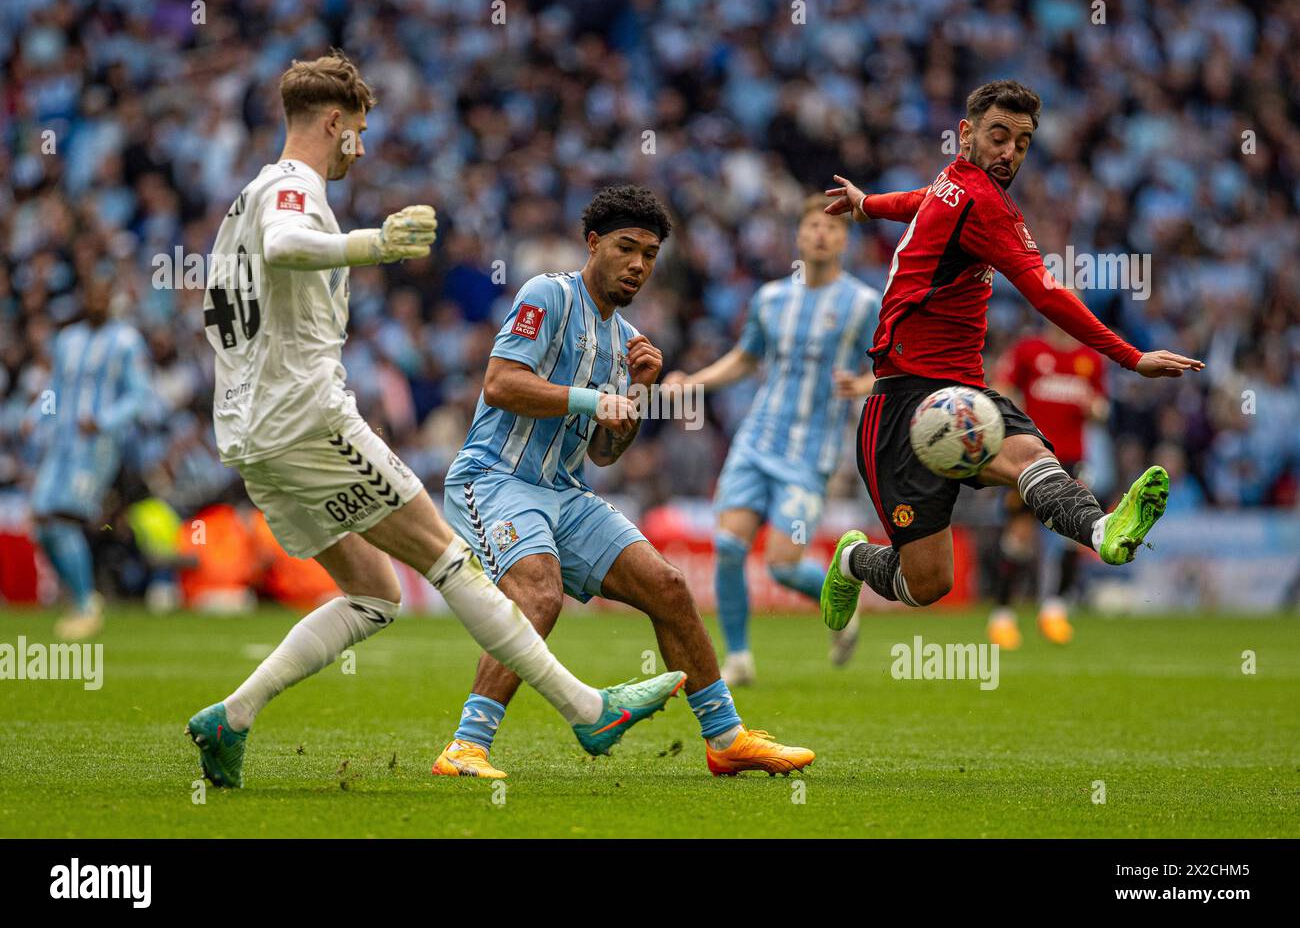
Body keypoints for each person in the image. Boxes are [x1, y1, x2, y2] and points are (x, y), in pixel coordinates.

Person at [186, 52, 682, 789]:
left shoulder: (244, 200)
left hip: (253, 431)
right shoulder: (293, 186)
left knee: (375, 594)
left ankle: (232, 717)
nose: (360, 145)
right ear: (333, 123)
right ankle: (587, 709)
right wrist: (375, 244)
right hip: (307, 418)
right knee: (450, 559)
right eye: (356, 131)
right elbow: (289, 249)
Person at [433, 185, 814, 779]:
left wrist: (633, 397)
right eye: (626, 248)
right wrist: (595, 397)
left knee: (668, 587)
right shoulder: (547, 294)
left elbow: (607, 453)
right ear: (593, 243)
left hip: (565, 489)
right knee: (539, 593)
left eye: (650, 255)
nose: (638, 264)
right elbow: (500, 384)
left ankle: (726, 739)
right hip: (494, 477)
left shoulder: (624, 342)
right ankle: (465, 746)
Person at [818, 79, 1203, 632]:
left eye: (1021, 144)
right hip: (900, 401)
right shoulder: (969, 194)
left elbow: (919, 203)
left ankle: (1104, 533)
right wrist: (1129, 355)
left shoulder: (968, 189)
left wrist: (868, 206)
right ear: (967, 134)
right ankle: (855, 559)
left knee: (1029, 458)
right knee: (927, 584)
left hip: (964, 394)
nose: (1009, 153)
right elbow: (1044, 291)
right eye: (999, 137)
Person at [662, 195, 879, 683]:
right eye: (812, 227)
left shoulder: (864, 304)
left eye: (833, 229)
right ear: (798, 236)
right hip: (756, 442)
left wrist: (862, 385)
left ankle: (841, 593)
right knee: (729, 545)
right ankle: (738, 658)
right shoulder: (770, 299)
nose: (822, 235)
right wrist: (693, 380)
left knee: (782, 565)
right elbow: (746, 358)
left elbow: (890, 367)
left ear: (845, 240)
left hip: (811, 455)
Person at [27, 278, 152, 639]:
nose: (96, 301)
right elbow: (56, 390)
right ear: (85, 298)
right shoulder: (68, 341)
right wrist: (35, 416)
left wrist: (103, 421)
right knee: (40, 524)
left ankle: (83, 605)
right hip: (61, 444)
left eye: (102, 295)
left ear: (110, 300)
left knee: (64, 520)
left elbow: (138, 396)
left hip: (95, 447)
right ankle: (82, 596)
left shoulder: (126, 342)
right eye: (91, 294)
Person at [986, 313, 1109, 649]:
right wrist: (1011, 406)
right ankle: (1002, 616)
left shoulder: (1090, 359)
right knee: (1019, 535)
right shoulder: (1029, 350)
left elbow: (1102, 408)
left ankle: (1054, 609)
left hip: (1072, 460)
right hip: (1030, 457)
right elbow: (1001, 384)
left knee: (1073, 535)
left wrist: (1094, 407)